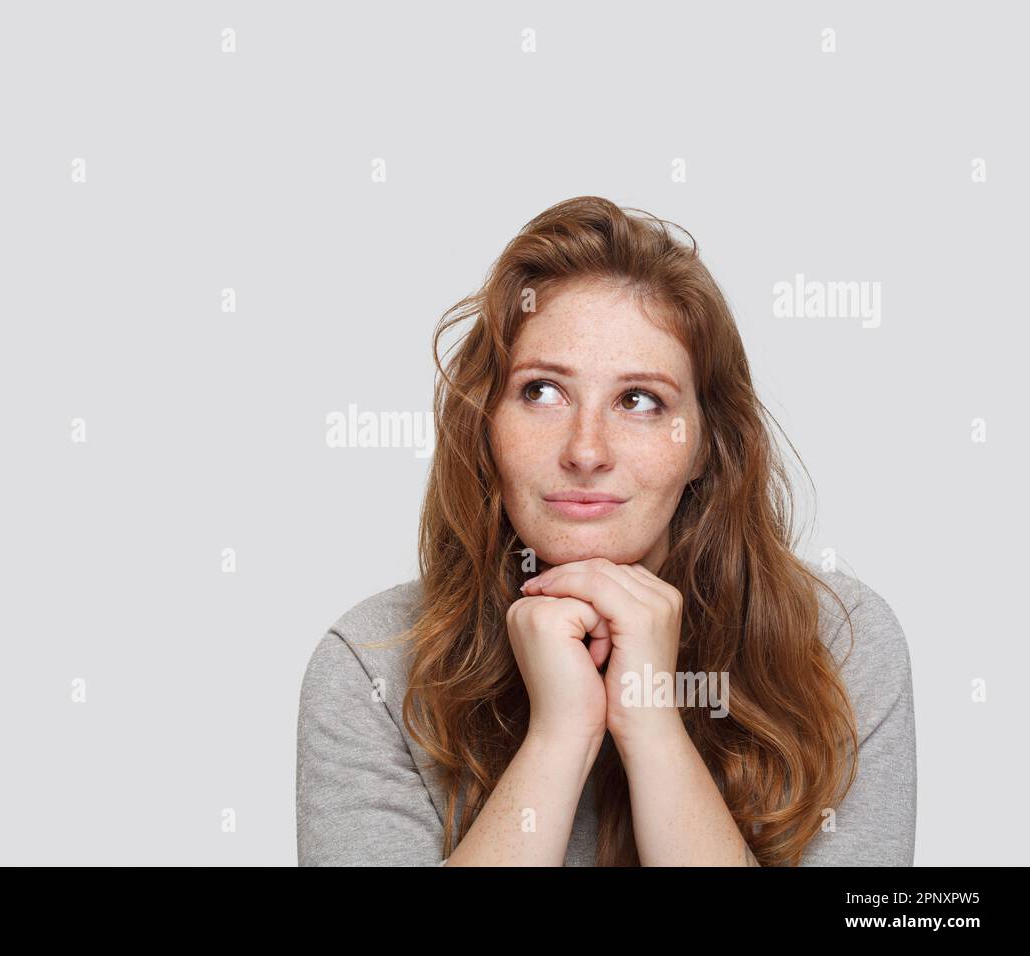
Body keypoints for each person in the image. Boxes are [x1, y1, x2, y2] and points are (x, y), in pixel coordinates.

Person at [296, 196, 917, 866]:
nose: (586, 451)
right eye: (541, 392)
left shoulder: (838, 644)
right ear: (484, 425)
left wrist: (651, 722)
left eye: (639, 401)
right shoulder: (372, 664)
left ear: (706, 445)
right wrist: (559, 738)